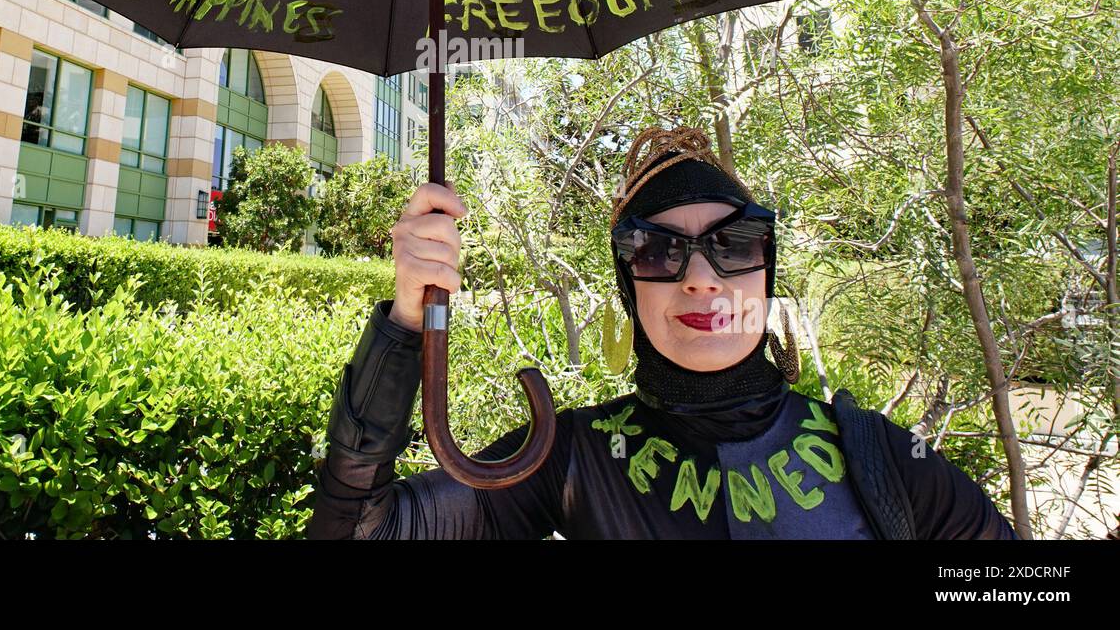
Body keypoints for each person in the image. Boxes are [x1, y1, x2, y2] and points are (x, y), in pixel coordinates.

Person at [307, 124, 1018, 540]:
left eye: (734, 243)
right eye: (658, 249)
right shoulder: (566, 456)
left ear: (767, 269)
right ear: (628, 285)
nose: (701, 278)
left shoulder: (881, 457)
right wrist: (406, 315)